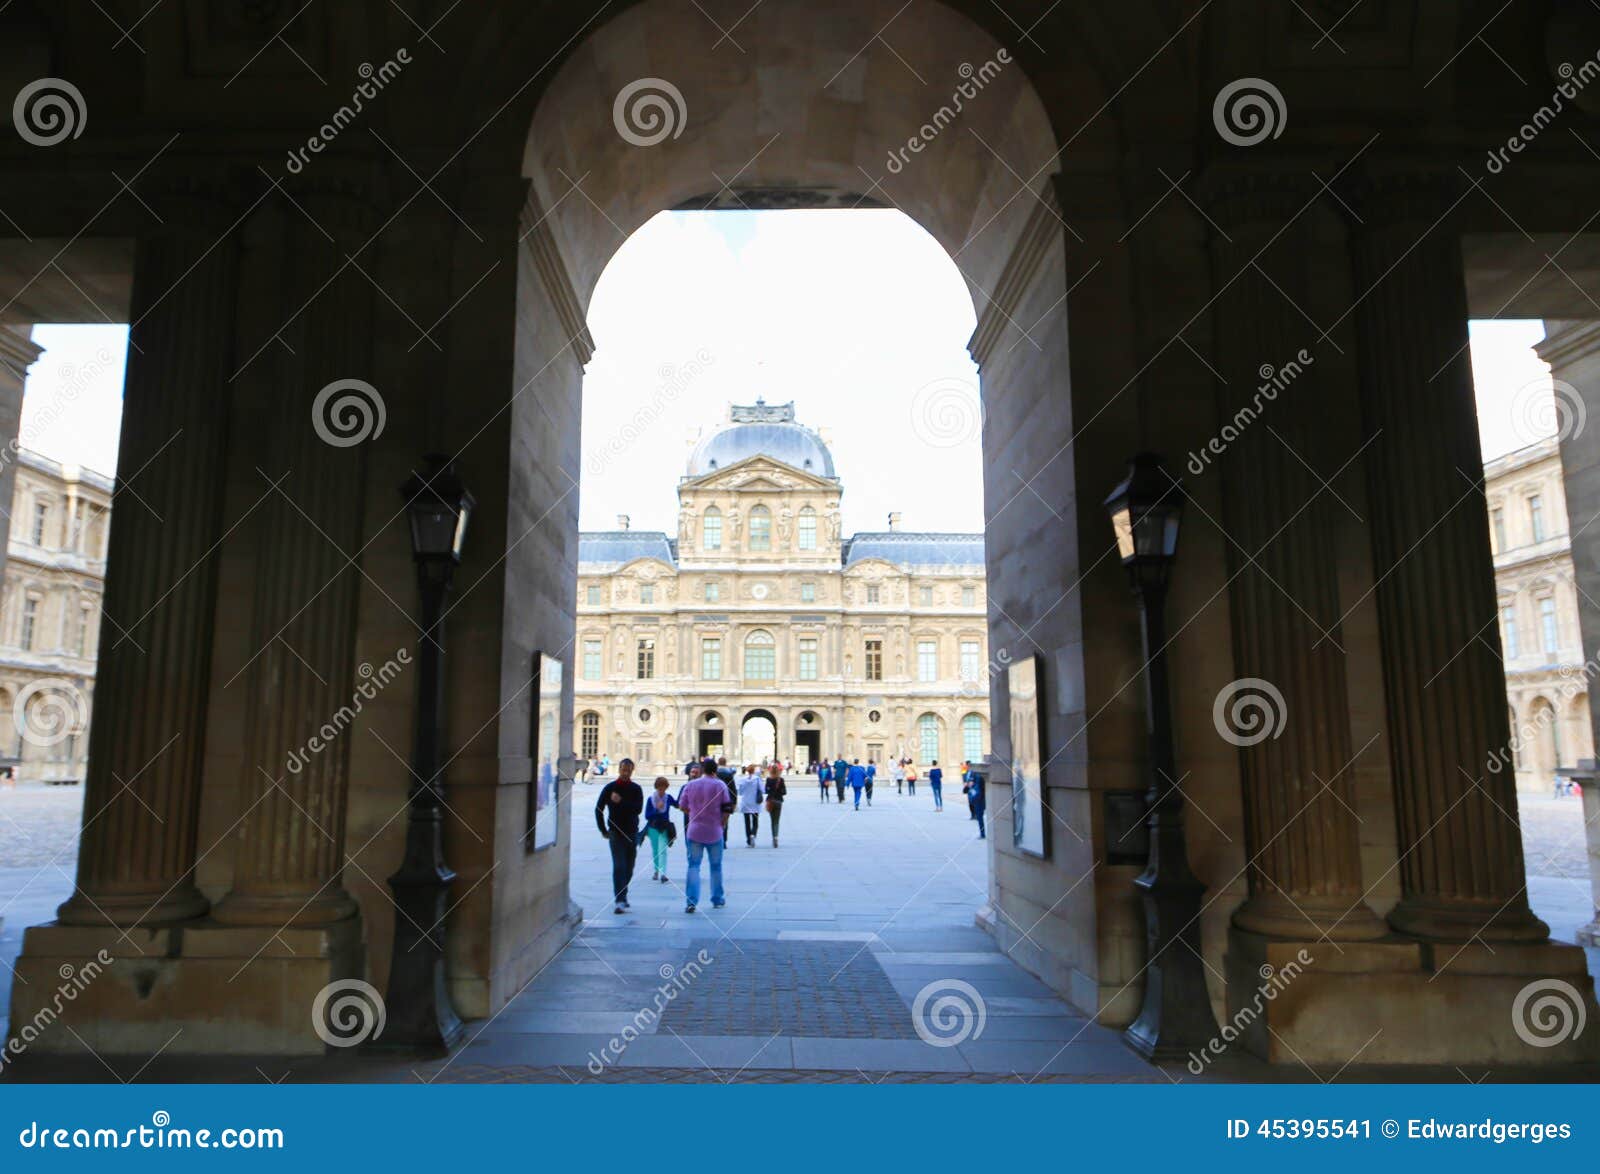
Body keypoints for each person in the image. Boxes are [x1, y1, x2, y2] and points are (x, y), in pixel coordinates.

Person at [678, 765, 732, 912]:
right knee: (716, 866)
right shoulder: (720, 785)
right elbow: (728, 808)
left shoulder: (691, 784)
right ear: (715, 771)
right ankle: (717, 899)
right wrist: (722, 823)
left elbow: (682, 806)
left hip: (695, 831)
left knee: (693, 866)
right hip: (714, 831)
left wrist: (693, 814)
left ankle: (691, 901)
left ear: (702, 771)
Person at [594, 757, 644, 913]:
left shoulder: (636, 789)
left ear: (632, 771)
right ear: (619, 770)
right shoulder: (610, 788)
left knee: (629, 867)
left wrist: (620, 801)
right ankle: (620, 900)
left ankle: (623, 893)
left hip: (631, 833)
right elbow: (598, 809)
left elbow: (637, 809)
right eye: (623, 769)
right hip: (615, 833)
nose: (625, 772)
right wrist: (603, 829)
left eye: (628, 770)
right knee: (619, 866)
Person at [642, 776, 679, 882]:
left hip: (664, 827)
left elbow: (677, 804)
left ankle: (663, 874)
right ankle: (656, 871)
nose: (662, 790)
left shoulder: (668, 798)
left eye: (663, 787)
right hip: (653, 827)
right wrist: (656, 809)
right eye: (659, 787)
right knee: (655, 850)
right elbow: (647, 815)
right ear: (656, 787)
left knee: (662, 850)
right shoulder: (650, 799)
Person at [737, 763, 764, 847]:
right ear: (754, 771)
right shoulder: (757, 779)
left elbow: (740, 792)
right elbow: (762, 790)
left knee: (747, 822)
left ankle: (748, 840)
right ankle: (753, 834)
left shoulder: (742, 779)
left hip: (745, 802)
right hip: (755, 802)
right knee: (755, 820)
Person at [764, 762, 787, 847]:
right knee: (776, 821)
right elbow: (784, 792)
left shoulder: (768, 779)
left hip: (770, 801)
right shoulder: (781, 780)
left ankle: (773, 837)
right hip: (779, 801)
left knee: (772, 820)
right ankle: (776, 837)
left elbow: (766, 791)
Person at [964, 767, 986, 838]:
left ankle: (982, 834)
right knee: (980, 818)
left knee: (980, 818)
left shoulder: (975, 780)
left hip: (978, 801)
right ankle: (982, 833)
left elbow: (968, 788)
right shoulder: (978, 778)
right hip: (979, 800)